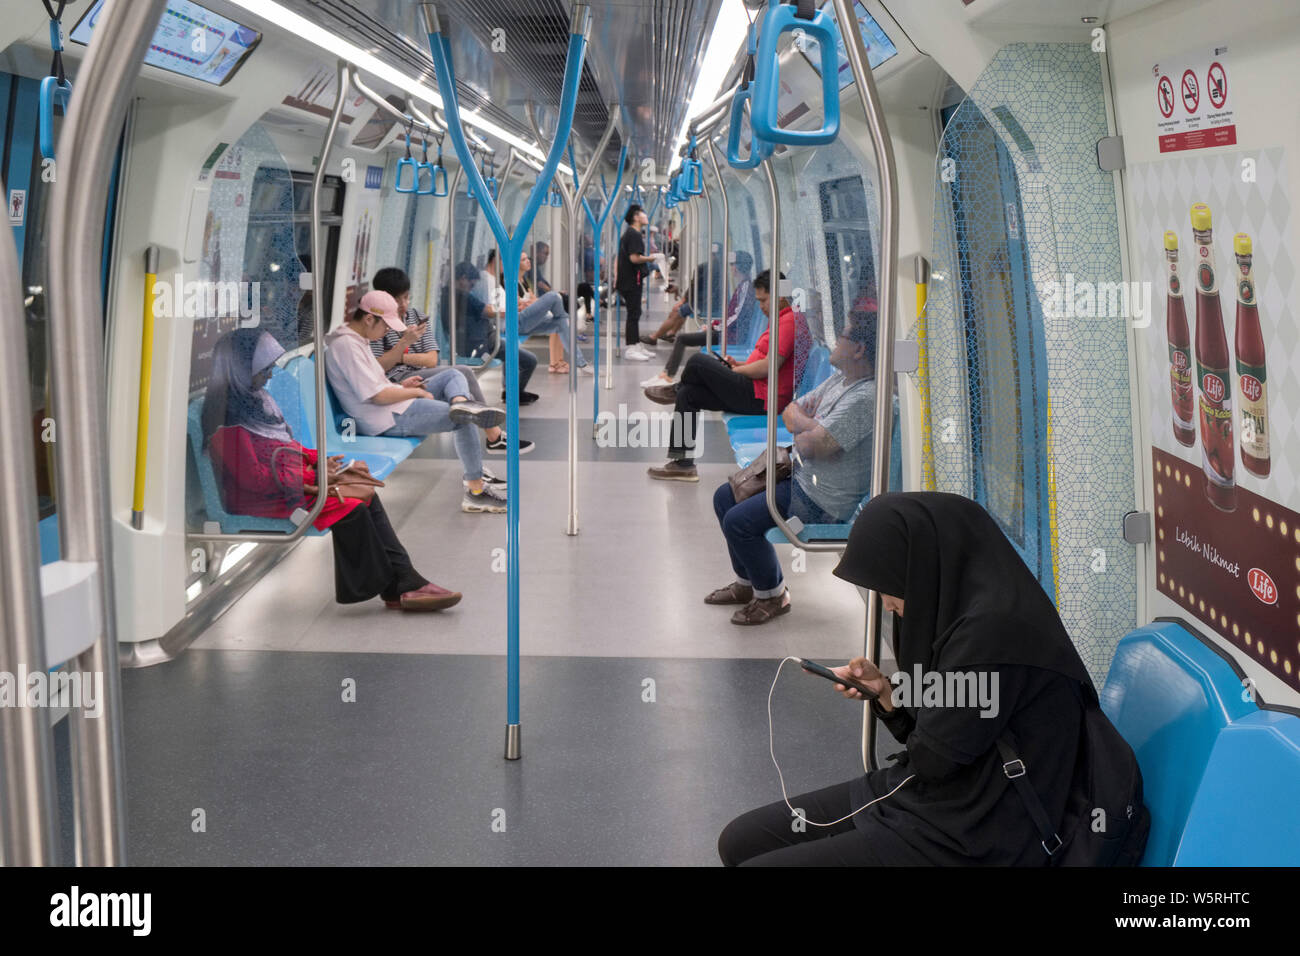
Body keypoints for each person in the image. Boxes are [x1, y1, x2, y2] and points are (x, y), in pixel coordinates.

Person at [717, 491, 1094, 865]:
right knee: (739, 841)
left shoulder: (994, 636)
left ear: (923, 568)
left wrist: (907, 708)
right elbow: (936, 738)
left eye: (888, 584)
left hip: (983, 827)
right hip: (939, 794)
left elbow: (933, 759)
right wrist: (886, 691)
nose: (885, 601)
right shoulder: (960, 612)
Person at [202, 328, 460, 611]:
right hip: (266, 497)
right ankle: (398, 584)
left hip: (287, 482)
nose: (270, 375)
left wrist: (320, 461)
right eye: (263, 369)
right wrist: (315, 477)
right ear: (241, 370)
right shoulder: (226, 422)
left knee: (365, 494)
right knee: (352, 507)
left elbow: (287, 446)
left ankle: (402, 583)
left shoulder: (255, 401)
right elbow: (257, 481)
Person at [706, 316, 880, 624]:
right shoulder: (841, 380)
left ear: (858, 350)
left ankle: (773, 595)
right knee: (724, 497)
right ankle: (748, 584)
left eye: (841, 336)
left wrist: (809, 431)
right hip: (801, 476)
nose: (835, 341)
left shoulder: (866, 398)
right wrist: (811, 429)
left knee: (739, 522)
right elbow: (792, 411)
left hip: (822, 500)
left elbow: (816, 445)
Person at [324, 290, 509, 513]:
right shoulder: (346, 346)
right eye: (385, 326)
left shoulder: (356, 341)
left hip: (391, 405)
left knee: (454, 375)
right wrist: (415, 394)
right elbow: (377, 396)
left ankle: (461, 402)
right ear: (369, 318)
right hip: (384, 418)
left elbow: (377, 385)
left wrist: (403, 387)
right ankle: (476, 492)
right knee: (463, 419)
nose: (386, 332)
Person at [646, 270, 804, 482]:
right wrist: (737, 365)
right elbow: (762, 360)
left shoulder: (789, 322)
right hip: (754, 388)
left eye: (764, 301)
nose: (761, 307)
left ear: (780, 296)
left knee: (696, 362)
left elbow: (768, 367)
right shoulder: (779, 320)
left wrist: (735, 372)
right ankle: (682, 464)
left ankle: (674, 389)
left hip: (762, 398)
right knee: (689, 394)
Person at [369, 266, 533, 455]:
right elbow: (379, 366)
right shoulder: (376, 323)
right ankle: (493, 435)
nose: (403, 305)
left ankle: (490, 437)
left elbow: (431, 360)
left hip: (419, 375)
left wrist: (398, 357)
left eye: (406, 297)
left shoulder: (416, 317)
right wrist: (404, 344)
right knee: (463, 386)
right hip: (394, 382)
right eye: (397, 300)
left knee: (464, 396)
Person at [640, 251, 758, 388]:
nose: (731, 268)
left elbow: (737, 317)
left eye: (732, 265)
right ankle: (666, 375)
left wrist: (715, 327)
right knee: (684, 338)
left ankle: (667, 376)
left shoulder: (746, 288)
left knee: (682, 339)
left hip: (730, 335)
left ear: (737, 267)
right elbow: (732, 315)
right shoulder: (743, 286)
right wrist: (714, 324)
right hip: (727, 331)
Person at [442, 262, 540, 406]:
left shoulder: (449, 293)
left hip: (483, 338)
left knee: (513, 351)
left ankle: (513, 392)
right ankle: (514, 393)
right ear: (462, 278)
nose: (471, 288)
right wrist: (515, 310)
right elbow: (488, 311)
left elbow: (485, 309)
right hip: (482, 343)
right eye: (470, 284)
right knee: (530, 360)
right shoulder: (462, 296)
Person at [514, 250, 592, 376]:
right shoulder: (512, 282)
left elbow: (532, 300)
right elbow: (517, 305)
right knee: (554, 297)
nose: (528, 261)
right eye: (523, 260)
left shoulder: (524, 281)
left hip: (529, 318)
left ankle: (580, 362)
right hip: (519, 321)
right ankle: (556, 362)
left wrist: (533, 302)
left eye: (527, 258)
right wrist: (533, 302)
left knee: (561, 323)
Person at [617, 205, 655, 361]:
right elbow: (634, 258)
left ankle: (636, 343)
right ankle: (631, 349)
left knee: (636, 312)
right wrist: (651, 258)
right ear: (636, 217)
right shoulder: (633, 235)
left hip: (630, 279)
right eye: (643, 213)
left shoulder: (632, 233)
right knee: (633, 313)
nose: (646, 216)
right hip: (630, 280)